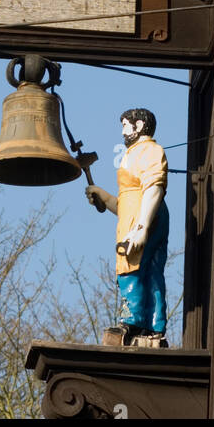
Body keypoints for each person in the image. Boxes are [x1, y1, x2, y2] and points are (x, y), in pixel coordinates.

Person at [86, 107, 168, 346]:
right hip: (136, 215)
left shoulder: (150, 151)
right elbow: (126, 203)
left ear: (139, 126)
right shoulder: (134, 153)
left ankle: (133, 321)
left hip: (145, 216)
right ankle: (152, 327)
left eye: (125, 125)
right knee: (149, 271)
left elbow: (154, 188)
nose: (123, 130)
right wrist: (104, 197)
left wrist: (141, 227)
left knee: (130, 265)